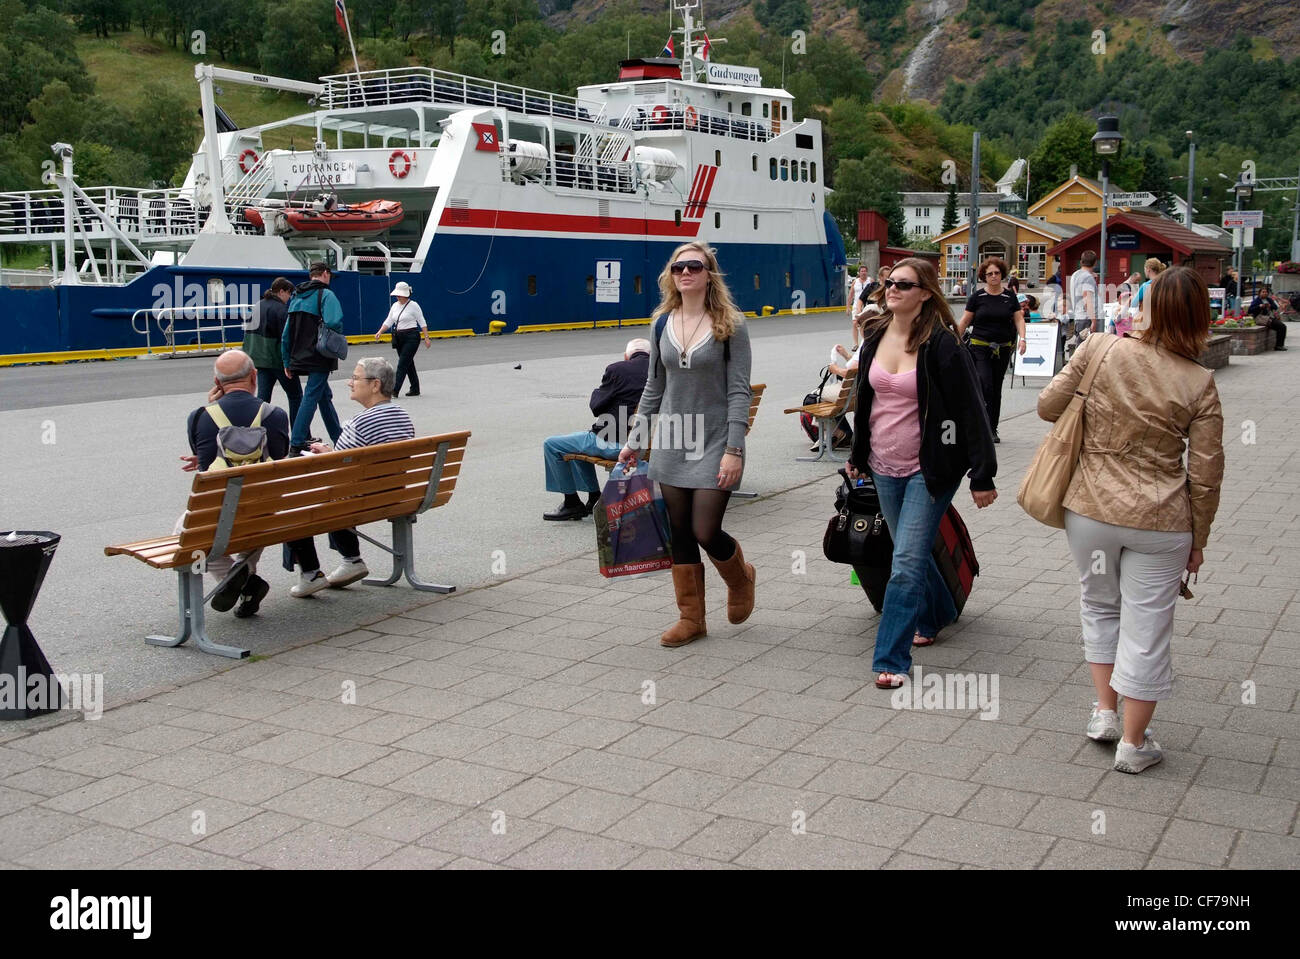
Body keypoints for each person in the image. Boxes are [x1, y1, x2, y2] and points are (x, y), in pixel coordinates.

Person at [1037, 266, 1223, 774]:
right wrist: (1199, 540)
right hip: (1162, 519)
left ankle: (1104, 713)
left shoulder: (1098, 348)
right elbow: (1206, 473)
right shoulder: (1200, 382)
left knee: (1099, 605)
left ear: (1145, 305)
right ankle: (1134, 744)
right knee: (1148, 627)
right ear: (1199, 317)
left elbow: (1046, 406)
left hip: (1090, 509)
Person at [846, 258, 997, 689]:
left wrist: (982, 475)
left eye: (903, 285)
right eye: (889, 282)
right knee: (910, 552)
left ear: (925, 293)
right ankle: (936, 614)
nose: (891, 288)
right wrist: (858, 453)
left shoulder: (943, 346)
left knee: (906, 562)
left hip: (929, 469)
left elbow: (972, 411)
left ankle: (891, 658)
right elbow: (866, 400)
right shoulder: (875, 335)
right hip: (882, 464)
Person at [618, 243, 754, 648]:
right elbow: (653, 386)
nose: (686, 272)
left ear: (709, 273)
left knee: (705, 528)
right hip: (673, 439)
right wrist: (635, 440)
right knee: (680, 531)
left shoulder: (730, 324)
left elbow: (739, 391)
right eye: (679, 267)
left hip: (715, 440)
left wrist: (735, 449)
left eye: (695, 266)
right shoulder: (661, 323)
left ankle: (741, 577)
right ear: (671, 274)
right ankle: (691, 618)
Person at [287, 356, 415, 596]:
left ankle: (313, 571)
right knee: (341, 491)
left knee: (298, 500)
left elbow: (337, 468)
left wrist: (321, 456)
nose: (350, 382)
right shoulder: (402, 416)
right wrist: (331, 453)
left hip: (360, 499)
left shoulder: (360, 422)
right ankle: (350, 561)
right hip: (395, 495)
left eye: (355, 378)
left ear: (375, 385)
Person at [179, 349, 290, 618]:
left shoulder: (199, 417)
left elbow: (203, 456)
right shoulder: (274, 414)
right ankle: (246, 583)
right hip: (263, 512)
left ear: (217, 383)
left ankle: (238, 579)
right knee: (254, 512)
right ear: (254, 376)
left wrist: (208, 406)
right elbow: (280, 455)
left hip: (216, 515)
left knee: (184, 534)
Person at [542, 338, 650, 520]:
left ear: (626, 356)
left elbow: (596, 407)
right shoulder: (662, 371)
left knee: (553, 445)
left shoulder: (617, 369)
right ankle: (594, 498)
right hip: (650, 445)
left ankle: (571, 503)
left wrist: (597, 392)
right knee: (579, 442)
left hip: (617, 444)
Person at [956, 257, 1025, 443]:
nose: (994, 276)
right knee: (984, 384)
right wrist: (954, 339)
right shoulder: (977, 297)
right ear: (984, 277)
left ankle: (992, 428)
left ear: (1001, 275)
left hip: (1002, 348)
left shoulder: (1009, 296)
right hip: (980, 347)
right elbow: (964, 321)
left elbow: (1019, 319)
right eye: (990, 274)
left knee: (995, 389)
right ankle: (981, 424)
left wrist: (1023, 339)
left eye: (997, 273)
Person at [282, 261, 345, 456]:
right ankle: (297, 441)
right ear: (325, 273)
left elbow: (286, 333)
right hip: (320, 354)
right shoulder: (326, 295)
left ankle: (338, 437)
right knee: (311, 396)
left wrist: (286, 360)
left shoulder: (296, 296)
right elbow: (334, 321)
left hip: (299, 355)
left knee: (323, 396)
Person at [243, 278, 301, 427]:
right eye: (289, 294)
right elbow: (286, 338)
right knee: (295, 396)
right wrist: (290, 361)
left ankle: (256, 430)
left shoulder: (258, 305)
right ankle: (299, 434)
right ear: (281, 291)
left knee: (263, 398)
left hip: (259, 360)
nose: (289, 298)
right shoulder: (281, 310)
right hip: (278, 361)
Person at [375, 280, 430, 397]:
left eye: (400, 295)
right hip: (399, 337)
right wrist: (380, 331)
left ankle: (394, 390)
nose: (398, 297)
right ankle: (415, 388)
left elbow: (422, 321)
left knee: (402, 364)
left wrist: (426, 338)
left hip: (412, 337)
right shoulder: (395, 306)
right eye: (397, 295)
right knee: (408, 363)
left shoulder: (414, 305)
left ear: (406, 294)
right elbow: (389, 321)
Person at [1247, 284, 1287, 350]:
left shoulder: (1269, 299)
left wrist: (1269, 306)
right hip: (1260, 318)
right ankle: (1279, 346)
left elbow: (1275, 307)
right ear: (1259, 293)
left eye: (1266, 292)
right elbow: (1250, 310)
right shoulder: (1257, 300)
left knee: (1282, 326)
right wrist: (1259, 306)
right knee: (1281, 326)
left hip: (1269, 318)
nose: (1265, 293)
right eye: (1263, 292)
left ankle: (1280, 344)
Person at [1132, 258, 1166, 330]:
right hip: (1166, 318)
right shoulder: (1166, 283)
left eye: (1144, 269)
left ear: (1148, 270)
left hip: (1151, 321)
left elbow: (1133, 304)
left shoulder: (1146, 285)